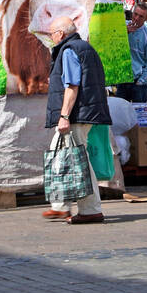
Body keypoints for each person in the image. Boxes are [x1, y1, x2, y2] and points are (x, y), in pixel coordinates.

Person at [42, 15, 111, 224]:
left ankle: (89, 210)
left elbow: (72, 86)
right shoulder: (84, 48)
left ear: (60, 34)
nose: (51, 38)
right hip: (83, 112)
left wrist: (64, 116)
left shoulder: (69, 50)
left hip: (76, 114)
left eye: (51, 34)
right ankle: (60, 205)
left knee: (78, 160)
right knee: (63, 155)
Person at [117, 3, 147, 102]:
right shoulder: (122, 27)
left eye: (141, 16)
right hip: (122, 79)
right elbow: (111, 43)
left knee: (138, 110)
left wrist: (141, 81)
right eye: (135, 14)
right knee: (120, 110)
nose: (136, 18)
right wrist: (124, 32)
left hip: (137, 82)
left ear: (146, 18)